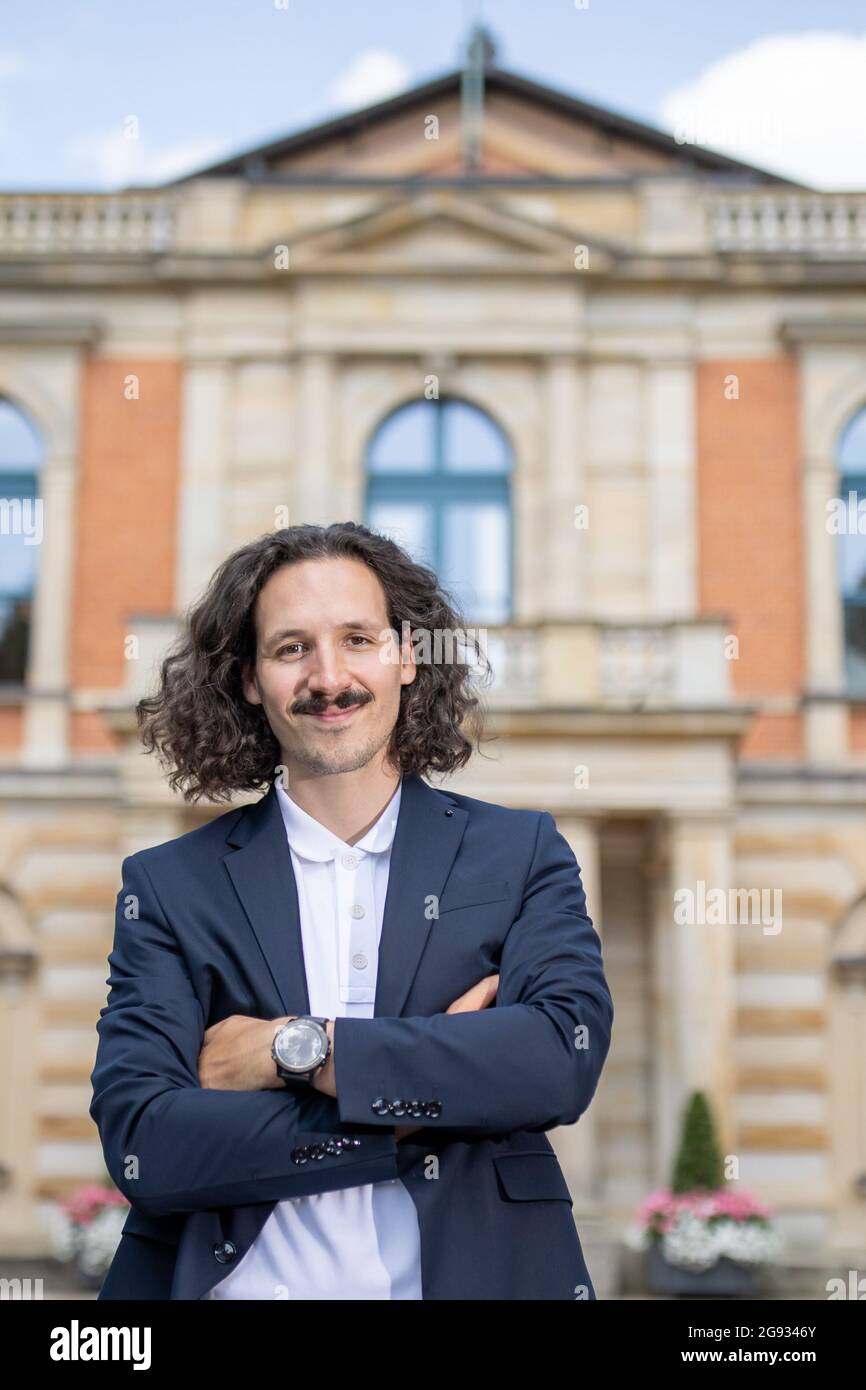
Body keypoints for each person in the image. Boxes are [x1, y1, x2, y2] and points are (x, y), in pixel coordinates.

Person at [90, 520, 613, 1300]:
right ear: (247, 678)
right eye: (292, 647)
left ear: (408, 656)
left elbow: (555, 1063)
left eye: (358, 640)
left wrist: (294, 1051)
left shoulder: (521, 853)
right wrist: (425, 1098)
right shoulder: (170, 886)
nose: (328, 678)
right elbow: (147, 1145)